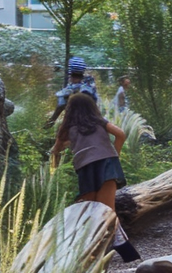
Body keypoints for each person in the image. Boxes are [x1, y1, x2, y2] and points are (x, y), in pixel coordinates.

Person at [50, 91, 140, 262]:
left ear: (70, 110)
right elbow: (120, 134)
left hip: (86, 169)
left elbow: (55, 151)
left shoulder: (68, 129)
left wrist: (53, 172)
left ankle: (118, 251)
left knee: (91, 209)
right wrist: (114, 154)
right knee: (106, 210)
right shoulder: (98, 122)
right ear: (91, 107)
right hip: (107, 164)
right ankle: (123, 252)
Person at [48, 57, 100, 127]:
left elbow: (60, 106)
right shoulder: (89, 83)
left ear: (70, 73)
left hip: (75, 123)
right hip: (93, 121)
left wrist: (51, 122)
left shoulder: (72, 88)